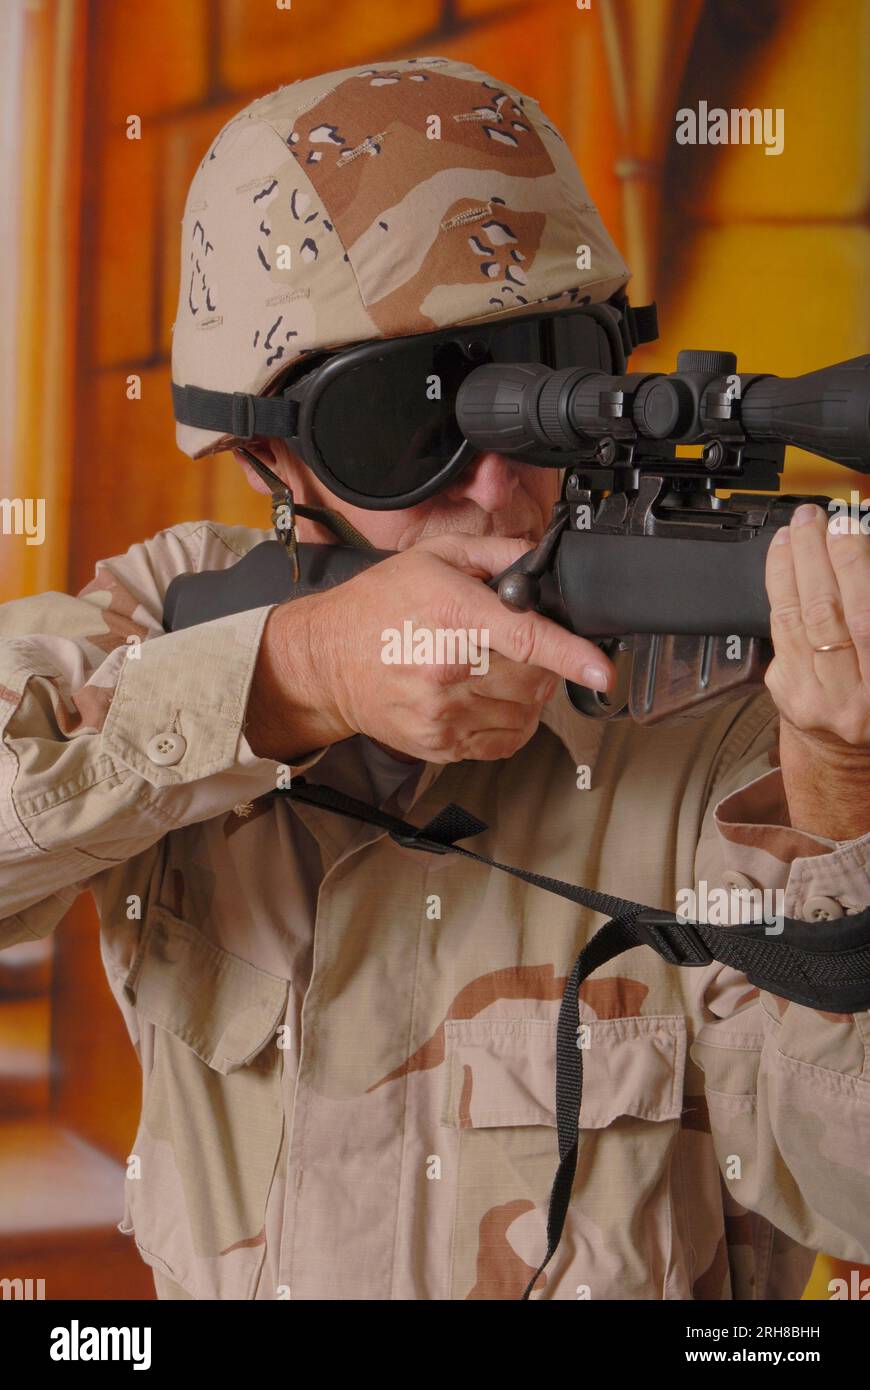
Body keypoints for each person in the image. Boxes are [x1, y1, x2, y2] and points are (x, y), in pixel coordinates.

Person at [1, 56, 868, 1302]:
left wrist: (840, 792)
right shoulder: (170, 616)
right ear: (270, 454)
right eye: (405, 429)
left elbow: (851, 1187)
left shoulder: (735, 705)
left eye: (547, 378)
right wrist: (291, 680)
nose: (498, 489)